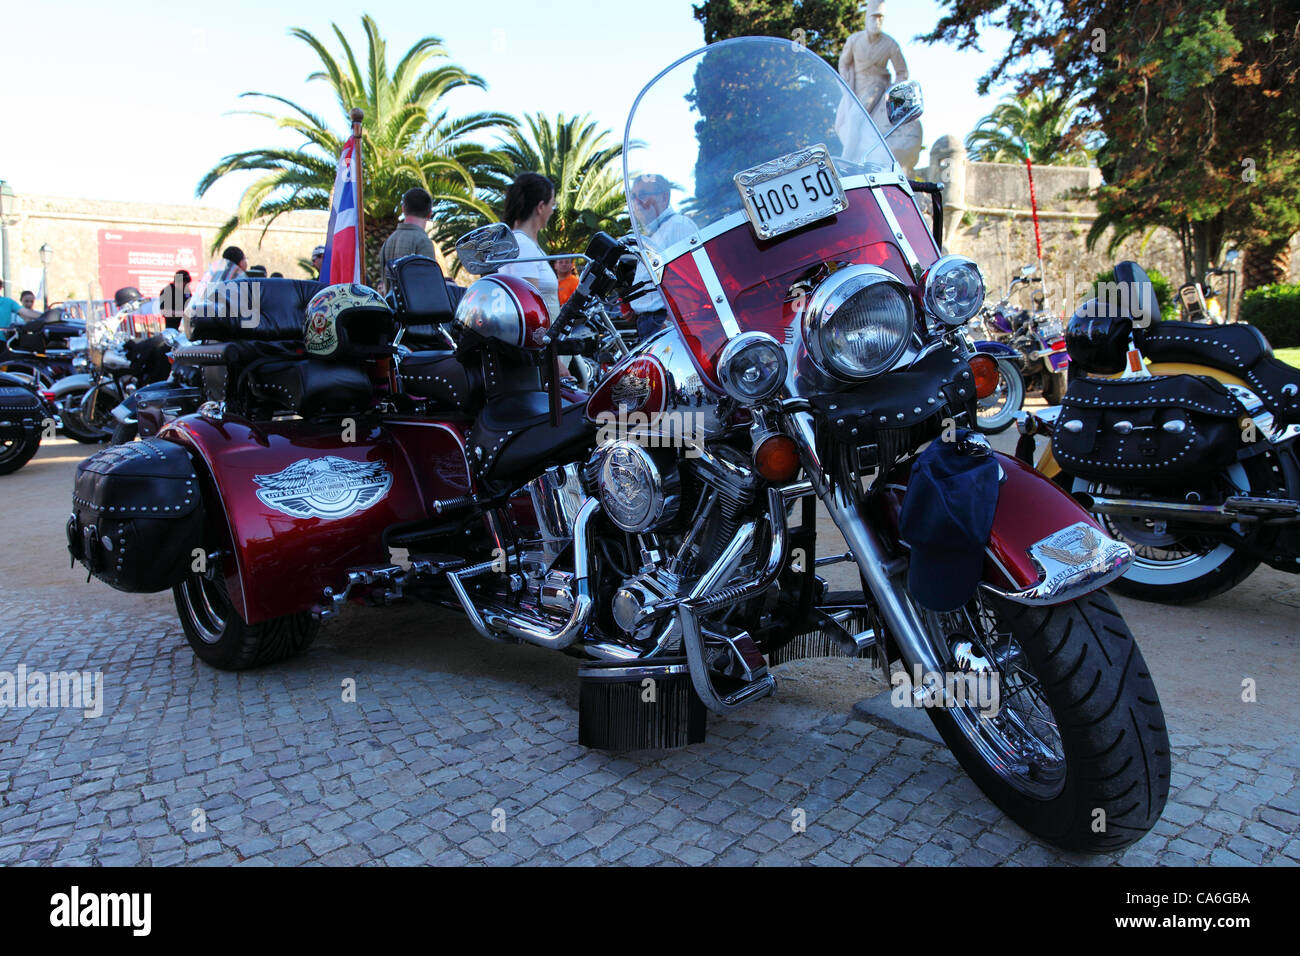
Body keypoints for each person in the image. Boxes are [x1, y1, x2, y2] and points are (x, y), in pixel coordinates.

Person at [627, 174, 696, 340]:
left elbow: (693, 279)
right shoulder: (654, 233)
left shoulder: (678, 225)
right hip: (651, 323)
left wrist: (672, 322)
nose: (636, 202)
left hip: (664, 322)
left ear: (664, 197)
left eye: (643, 195)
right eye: (633, 197)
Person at [498, 172, 559, 319]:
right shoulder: (523, 246)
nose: (552, 210)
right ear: (541, 207)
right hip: (540, 340)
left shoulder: (523, 243)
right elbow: (530, 308)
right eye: (552, 204)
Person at [379, 187, 437, 291]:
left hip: (389, 306)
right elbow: (429, 286)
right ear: (429, 214)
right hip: (417, 307)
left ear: (403, 209)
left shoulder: (388, 241)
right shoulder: (423, 242)